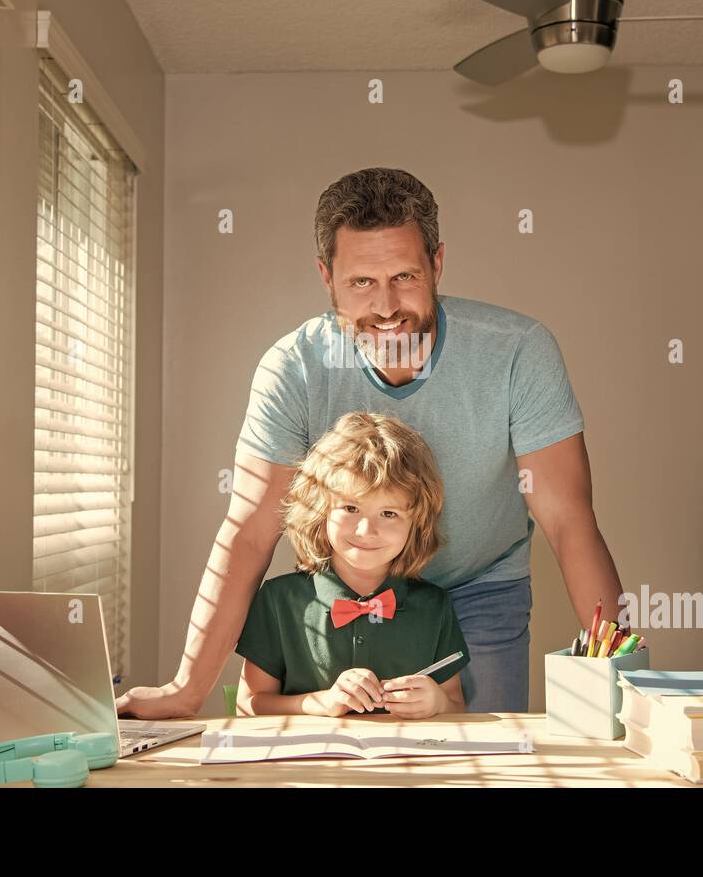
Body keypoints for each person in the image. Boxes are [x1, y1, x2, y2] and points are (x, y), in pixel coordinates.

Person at [117, 166, 623, 719]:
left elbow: (569, 519)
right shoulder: (295, 368)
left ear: (437, 263)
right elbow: (250, 528)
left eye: (405, 276)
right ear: (326, 278)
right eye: (361, 282)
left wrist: (623, 676)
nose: (385, 307)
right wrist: (187, 690)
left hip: (479, 588)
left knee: (484, 756)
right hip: (347, 589)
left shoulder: (519, 352)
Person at [234, 411, 468, 718]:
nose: (366, 531)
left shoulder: (435, 607)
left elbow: (457, 708)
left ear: (417, 523)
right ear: (320, 508)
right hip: (308, 763)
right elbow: (247, 706)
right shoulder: (278, 601)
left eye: (389, 513)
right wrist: (319, 703)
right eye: (351, 507)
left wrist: (437, 703)